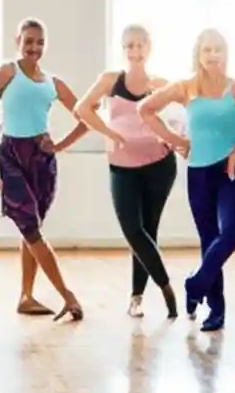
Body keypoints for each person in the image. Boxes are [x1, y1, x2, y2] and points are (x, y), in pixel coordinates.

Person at [138, 28, 235, 332]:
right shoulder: (185, 87)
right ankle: (215, 309)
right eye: (207, 50)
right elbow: (146, 109)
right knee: (209, 239)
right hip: (199, 172)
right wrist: (175, 140)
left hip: (231, 170)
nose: (213, 55)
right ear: (198, 54)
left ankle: (196, 284)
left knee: (232, 231)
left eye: (218, 49)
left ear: (226, 53)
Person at [0, 19, 89, 322]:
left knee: (31, 230)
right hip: (12, 155)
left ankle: (26, 296)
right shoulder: (4, 74)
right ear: (18, 42)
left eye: (39, 42)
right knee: (30, 229)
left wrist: (60, 145)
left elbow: (86, 117)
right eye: (28, 41)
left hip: (43, 161)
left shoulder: (53, 83)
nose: (34, 47)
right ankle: (68, 296)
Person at [74, 24, 178, 319]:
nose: (135, 51)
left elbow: (183, 115)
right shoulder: (110, 80)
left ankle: (137, 297)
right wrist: (110, 132)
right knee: (133, 230)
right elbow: (83, 109)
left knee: (149, 230)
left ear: (149, 48)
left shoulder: (160, 84)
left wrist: (173, 138)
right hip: (122, 168)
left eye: (140, 45)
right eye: (129, 45)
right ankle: (166, 287)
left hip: (159, 166)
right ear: (123, 49)